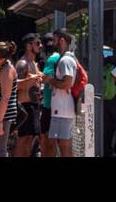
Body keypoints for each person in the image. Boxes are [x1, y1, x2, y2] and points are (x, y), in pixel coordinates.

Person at [44, 29, 85, 157]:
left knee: (64, 144)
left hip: (63, 109)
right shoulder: (65, 58)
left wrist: (51, 81)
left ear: (61, 40)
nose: (52, 42)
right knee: (58, 142)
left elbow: (67, 83)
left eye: (54, 39)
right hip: (61, 109)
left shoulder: (65, 60)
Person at [12, 34, 46, 158]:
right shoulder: (22, 63)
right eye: (37, 43)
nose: (40, 46)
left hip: (34, 106)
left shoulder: (34, 63)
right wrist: (29, 80)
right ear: (28, 45)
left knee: (30, 139)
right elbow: (15, 85)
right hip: (25, 106)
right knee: (23, 139)